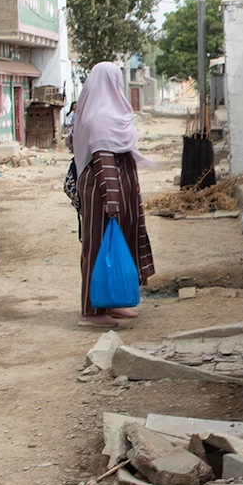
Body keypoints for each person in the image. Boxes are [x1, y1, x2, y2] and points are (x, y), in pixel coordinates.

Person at [71, 63, 155, 328]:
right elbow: (103, 160)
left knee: (119, 245)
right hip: (102, 194)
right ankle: (91, 310)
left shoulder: (112, 114)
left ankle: (112, 301)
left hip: (117, 192)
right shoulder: (99, 118)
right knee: (97, 248)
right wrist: (112, 201)